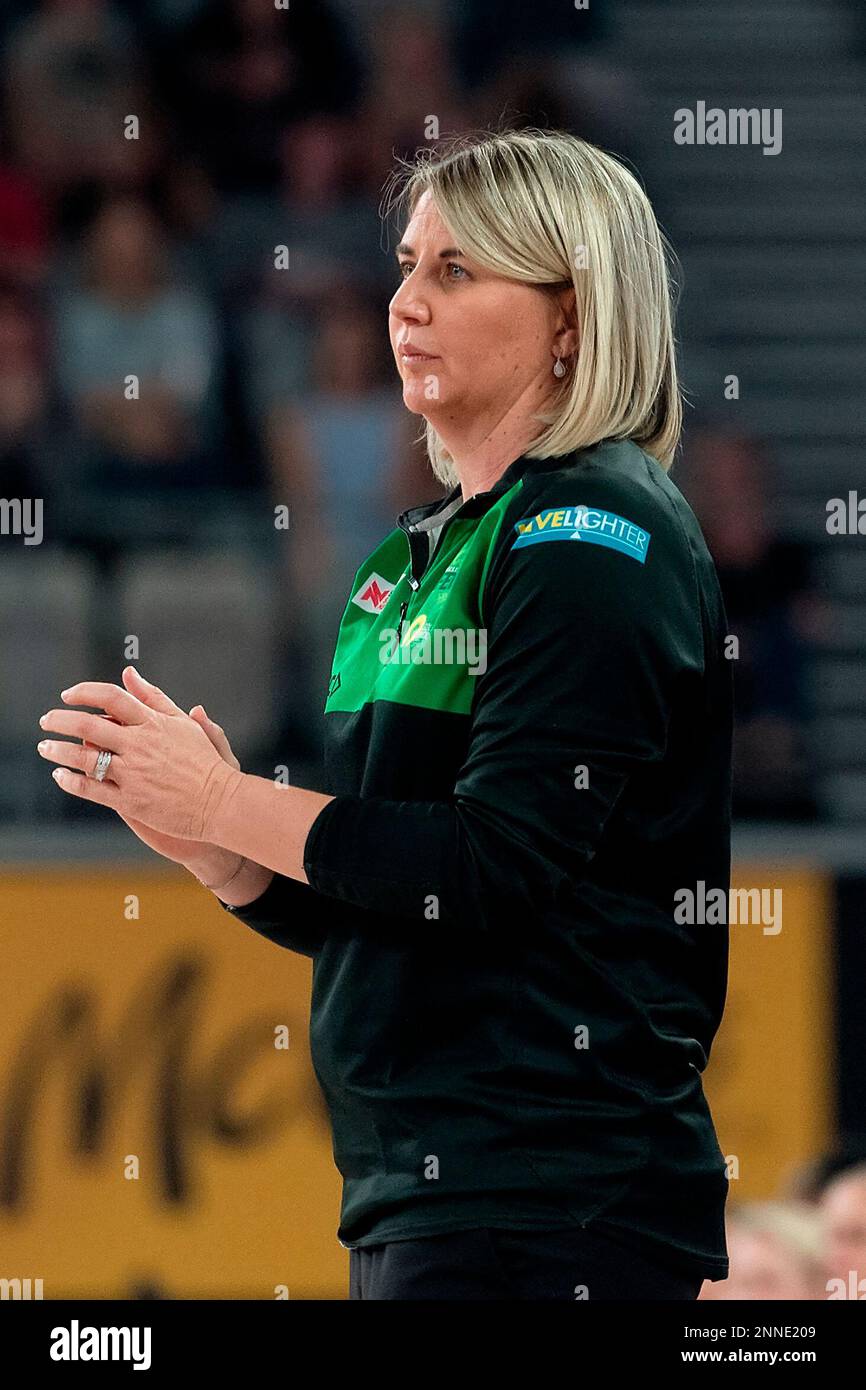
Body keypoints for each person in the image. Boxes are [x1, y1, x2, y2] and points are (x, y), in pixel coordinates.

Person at [38, 128, 733, 1301]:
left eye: (456, 272)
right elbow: (405, 899)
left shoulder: (588, 534)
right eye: (407, 265)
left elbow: (490, 863)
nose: (404, 302)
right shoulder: (407, 559)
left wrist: (230, 797)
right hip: (436, 1199)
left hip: (551, 1204)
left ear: (571, 318)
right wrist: (226, 854)